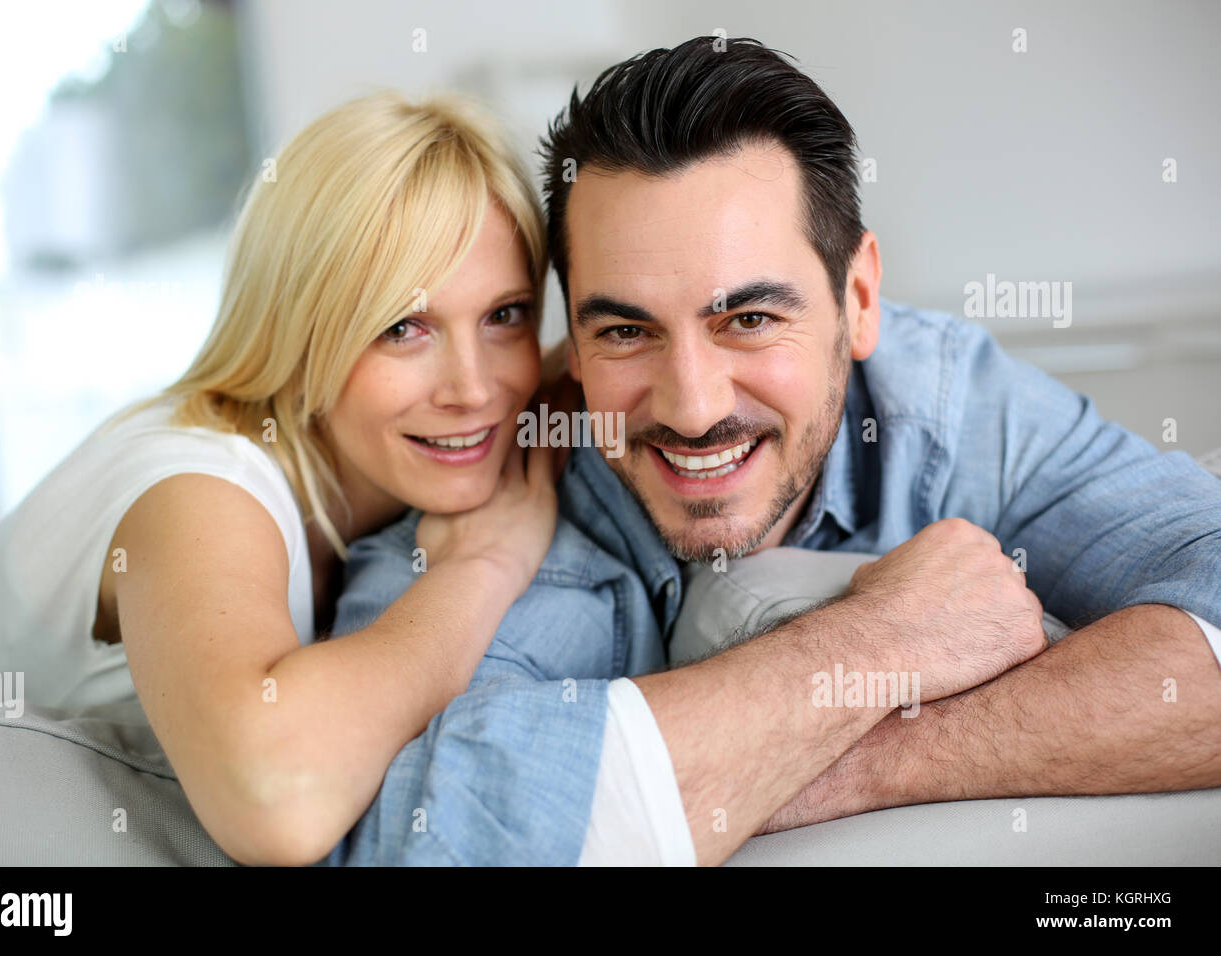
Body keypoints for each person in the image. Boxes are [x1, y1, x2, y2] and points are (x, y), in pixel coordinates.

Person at [323, 37, 1221, 866]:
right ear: (571, 336)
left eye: (748, 319)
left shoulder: (949, 406)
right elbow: (393, 837)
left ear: (859, 298)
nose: (692, 405)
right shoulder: (491, 518)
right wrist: (877, 646)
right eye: (626, 331)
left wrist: (855, 758)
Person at [0, 91, 560, 865]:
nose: (474, 387)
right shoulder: (197, 488)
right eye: (403, 327)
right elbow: (280, 800)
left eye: (505, 316)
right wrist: (487, 563)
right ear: (301, 331)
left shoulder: (367, 455)